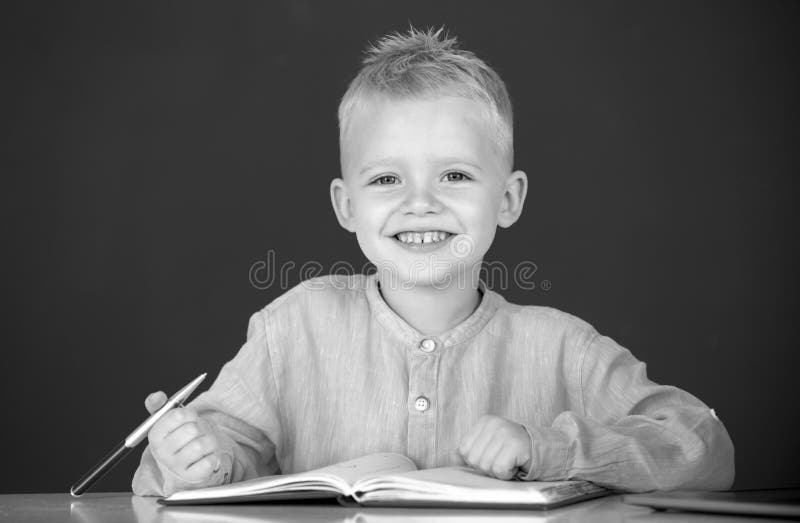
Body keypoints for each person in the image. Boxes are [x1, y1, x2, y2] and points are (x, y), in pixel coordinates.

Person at [132, 27, 734, 496]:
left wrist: (545, 448)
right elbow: (202, 467)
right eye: (388, 178)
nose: (420, 203)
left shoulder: (562, 350)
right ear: (347, 206)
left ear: (508, 199)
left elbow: (704, 445)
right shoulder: (291, 331)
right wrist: (193, 459)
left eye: (455, 175)